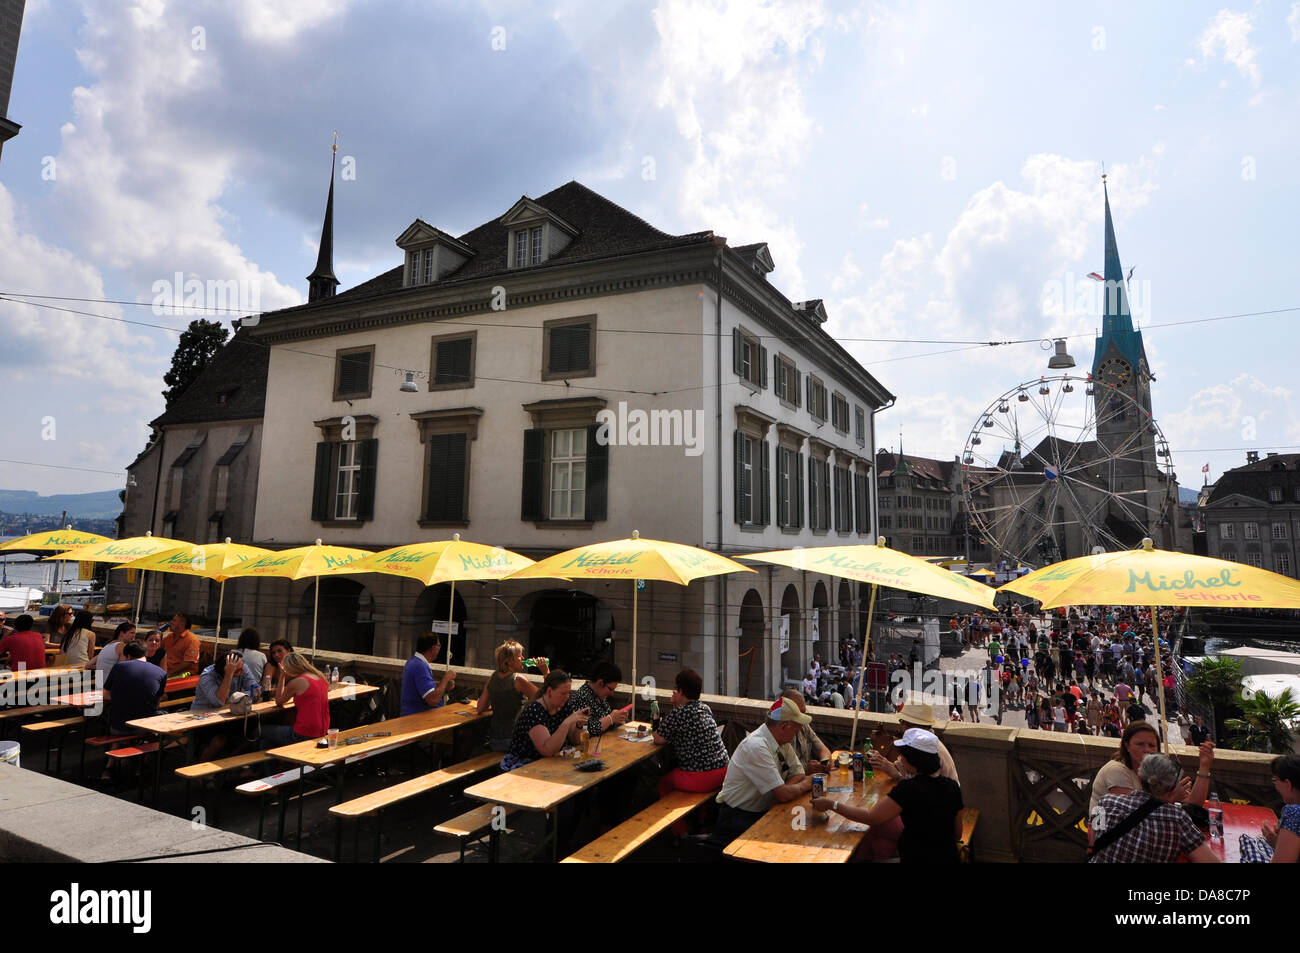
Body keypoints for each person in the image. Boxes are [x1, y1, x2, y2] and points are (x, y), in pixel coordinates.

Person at [814, 728, 964, 864]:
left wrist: (831, 805)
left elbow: (871, 817)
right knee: (878, 841)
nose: (900, 758)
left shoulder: (909, 789)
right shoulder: (952, 787)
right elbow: (957, 833)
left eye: (902, 755)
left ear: (912, 760)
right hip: (948, 858)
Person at [713, 697, 813, 844]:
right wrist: (806, 784)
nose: (798, 732)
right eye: (796, 728)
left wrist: (783, 792)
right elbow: (783, 794)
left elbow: (798, 773)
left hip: (761, 810)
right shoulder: (757, 746)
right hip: (738, 818)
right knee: (795, 835)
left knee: (801, 827)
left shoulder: (779, 739)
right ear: (784, 726)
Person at [1088, 754, 1219, 863]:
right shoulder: (1178, 819)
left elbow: (1093, 839)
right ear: (1174, 787)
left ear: (1139, 777)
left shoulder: (1105, 802)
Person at [1089, 721, 1214, 815]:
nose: (1147, 750)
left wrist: (1204, 766)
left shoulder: (1155, 770)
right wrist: (1170, 799)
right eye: (1140, 744)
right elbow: (1132, 814)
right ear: (1127, 745)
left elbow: (1194, 802)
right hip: (1106, 837)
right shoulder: (1116, 770)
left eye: (1151, 745)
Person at [500, 670, 588, 771]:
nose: (567, 697)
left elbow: (575, 740)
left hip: (552, 762)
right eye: (563, 693)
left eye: (569, 693)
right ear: (550, 691)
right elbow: (547, 750)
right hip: (525, 764)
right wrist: (566, 723)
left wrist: (579, 726)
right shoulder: (535, 712)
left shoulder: (564, 706)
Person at [477, 639, 546, 752]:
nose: (523, 658)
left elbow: (480, 708)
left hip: (495, 739)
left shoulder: (492, 678)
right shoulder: (518, 680)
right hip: (515, 740)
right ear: (509, 661)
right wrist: (545, 672)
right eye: (519, 656)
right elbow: (544, 699)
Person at [259, 652, 330, 747]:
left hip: (303, 734)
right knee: (266, 743)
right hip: (322, 731)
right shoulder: (320, 677)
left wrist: (282, 676)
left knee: (260, 730)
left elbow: (279, 701)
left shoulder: (297, 682)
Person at [1243, 755, 1300, 863]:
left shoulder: (1294, 812)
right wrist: (1279, 844)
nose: (1275, 785)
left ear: (1287, 784)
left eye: (1275, 780)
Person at [102, 642, 168, 734]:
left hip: (119, 727)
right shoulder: (161, 673)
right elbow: (157, 702)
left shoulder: (119, 667)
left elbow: (105, 695)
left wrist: (122, 697)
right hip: (147, 727)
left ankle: (115, 745)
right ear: (146, 654)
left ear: (128, 656)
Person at [568, 661, 630, 736]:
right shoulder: (582, 697)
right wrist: (611, 718)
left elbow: (606, 722)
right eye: (610, 689)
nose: (612, 693)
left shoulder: (599, 696)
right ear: (600, 683)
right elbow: (586, 729)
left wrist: (617, 718)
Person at [399, 634, 456, 716]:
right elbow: (432, 700)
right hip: (417, 719)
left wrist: (443, 687)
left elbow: (424, 688)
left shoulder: (414, 662)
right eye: (439, 645)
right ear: (433, 648)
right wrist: (445, 679)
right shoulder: (419, 666)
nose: (439, 648)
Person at [779, 689, 832, 774]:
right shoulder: (780, 736)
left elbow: (823, 749)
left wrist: (825, 762)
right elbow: (783, 778)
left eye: (804, 713)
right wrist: (806, 771)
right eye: (799, 714)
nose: (803, 718)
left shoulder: (804, 726)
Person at [193, 649, 259, 712]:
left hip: (228, 712)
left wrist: (236, 698)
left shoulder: (241, 667)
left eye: (242, 666)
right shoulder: (207, 676)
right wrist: (229, 674)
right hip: (202, 714)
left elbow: (256, 691)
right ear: (224, 670)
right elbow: (219, 702)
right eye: (237, 671)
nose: (243, 671)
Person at [161, 611, 199, 677]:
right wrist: (159, 632)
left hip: (184, 674)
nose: (171, 622)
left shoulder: (192, 640)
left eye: (174, 620)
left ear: (182, 624)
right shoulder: (170, 637)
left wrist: (170, 673)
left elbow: (188, 662)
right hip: (167, 671)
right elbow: (156, 648)